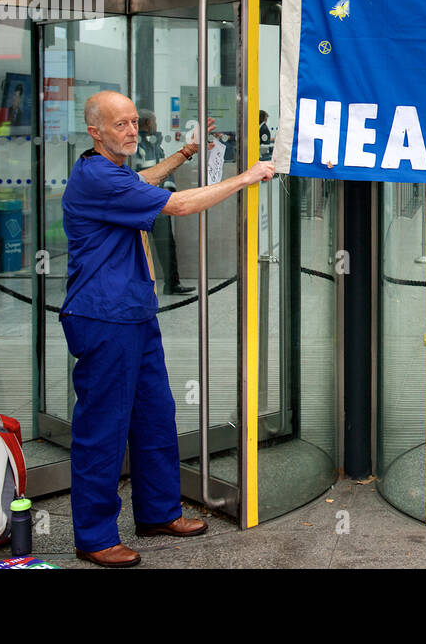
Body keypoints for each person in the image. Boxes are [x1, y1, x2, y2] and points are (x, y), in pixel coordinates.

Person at [60, 91, 276, 566]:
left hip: (134, 313)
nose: (132, 130)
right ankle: (95, 536)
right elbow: (176, 206)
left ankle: (158, 511)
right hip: (103, 318)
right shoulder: (97, 178)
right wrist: (247, 176)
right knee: (102, 429)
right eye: (121, 124)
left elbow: (142, 180)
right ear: (95, 131)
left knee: (155, 415)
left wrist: (185, 153)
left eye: (135, 121)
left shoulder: (111, 172)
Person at [136, 109, 193, 295]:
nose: (156, 124)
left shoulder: (156, 144)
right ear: (147, 123)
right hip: (143, 204)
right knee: (138, 246)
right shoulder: (137, 146)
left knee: (167, 244)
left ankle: (172, 283)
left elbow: (165, 171)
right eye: (153, 121)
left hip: (159, 203)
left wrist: (168, 192)